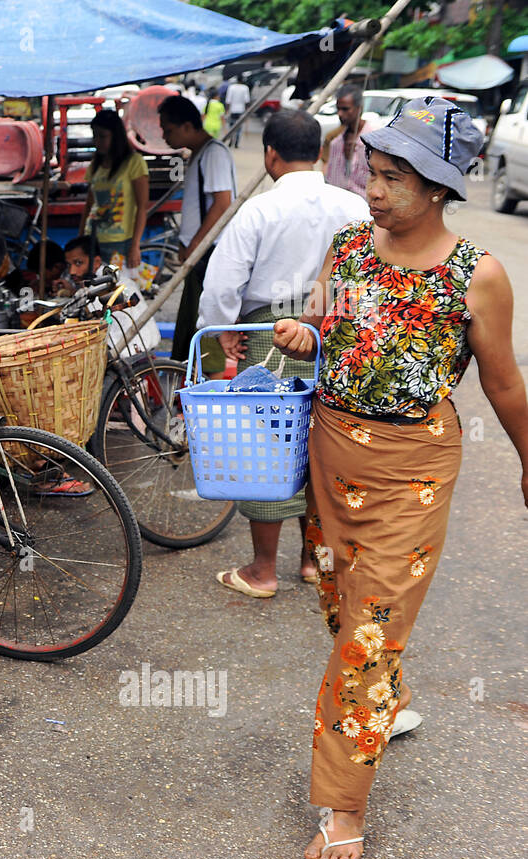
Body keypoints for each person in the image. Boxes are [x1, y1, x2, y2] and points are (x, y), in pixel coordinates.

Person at [269, 98, 528, 859]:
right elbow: (329, 325)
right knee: (343, 603)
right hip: (329, 454)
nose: (374, 190)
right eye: (372, 172)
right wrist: (303, 331)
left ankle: (341, 808)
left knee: (367, 636)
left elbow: (506, 384)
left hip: (412, 474)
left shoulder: (476, 275)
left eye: (393, 178)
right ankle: (390, 695)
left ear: (439, 187)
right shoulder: (349, 246)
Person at [199, 109, 369, 600]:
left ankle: (262, 571)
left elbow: (222, 284)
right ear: (319, 153)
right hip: (337, 333)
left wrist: (221, 331)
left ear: (270, 154)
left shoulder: (258, 210)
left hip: (269, 334)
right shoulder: (355, 206)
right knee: (324, 448)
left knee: (267, 452)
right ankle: (313, 563)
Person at [157, 94, 236, 375]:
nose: (165, 136)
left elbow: (223, 203)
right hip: (199, 252)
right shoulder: (199, 155)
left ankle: (210, 399)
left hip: (208, 254)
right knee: (192, 327)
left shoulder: (214, 153)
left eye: (168, 129)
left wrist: (194, 244)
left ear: (188, 126)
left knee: (207, 333)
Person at [79, 110, 149, 269]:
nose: (97, 141)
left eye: (102, 136)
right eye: (95, 136)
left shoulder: (134, 162)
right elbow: (89, 204)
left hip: (120, 242)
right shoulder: (96, 163)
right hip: (93, 239)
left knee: (117, 290)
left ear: (115, 136)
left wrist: (135, 245)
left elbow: (142, 207)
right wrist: (81, 236)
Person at [321, 84, 373, 200]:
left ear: (359, 108)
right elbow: (331, 180)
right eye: (338, 109)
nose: (340, 114)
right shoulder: (335, 142)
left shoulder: (374, 141)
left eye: (345, 109)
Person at [224, 78, 251, 147]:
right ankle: (236, 142)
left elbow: (228, 100)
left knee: (231, 126)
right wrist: (247, 110)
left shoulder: (231, 87)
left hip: (233, 109)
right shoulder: (245, 88)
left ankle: (231, 140)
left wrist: (226, 110)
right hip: (241, 109)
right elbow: (247, 100)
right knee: (239, 126)